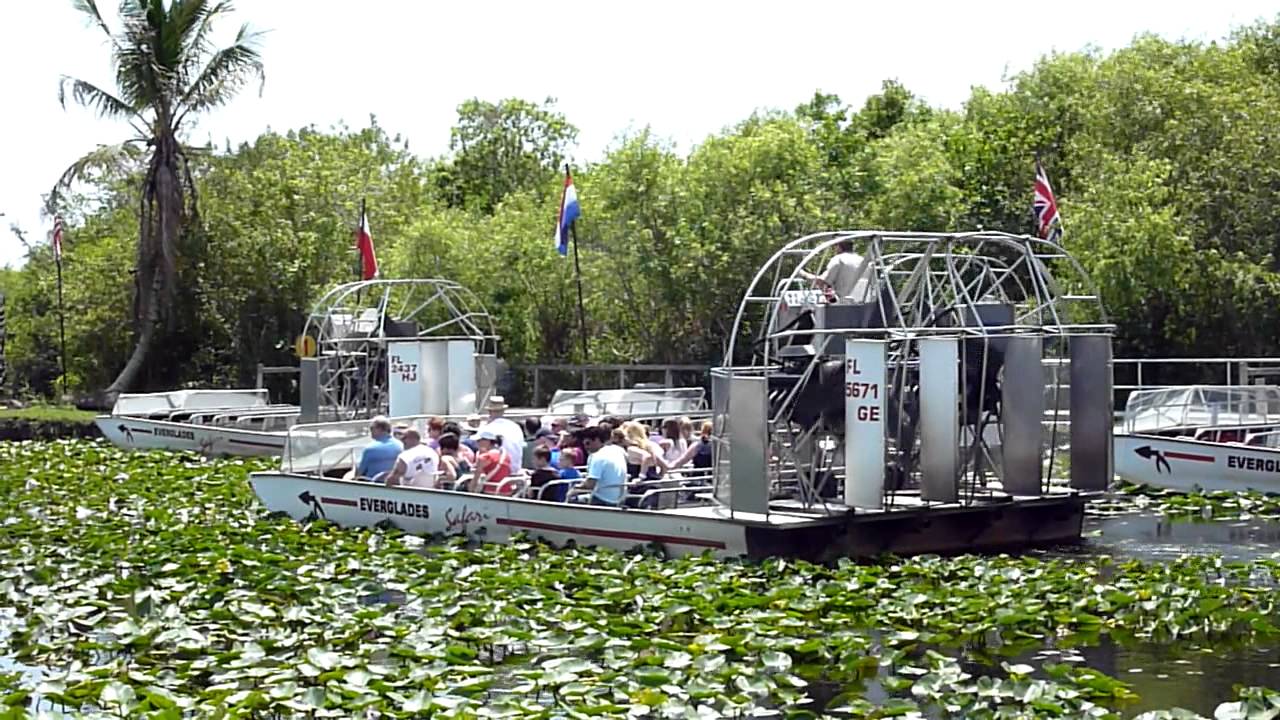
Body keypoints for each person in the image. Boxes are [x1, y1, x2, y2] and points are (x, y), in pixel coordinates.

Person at [799, 239, 870, 303]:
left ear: (839, 247)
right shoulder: (863, 261)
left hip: (842, 305)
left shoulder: (838, 259)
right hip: (864, 304)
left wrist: (803, 274)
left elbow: (822, 282)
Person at [574, 426, 627, 507]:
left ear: (597, 440)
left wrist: (574, 490)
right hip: (619, 499)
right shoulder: (618, 450)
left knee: (572, 497)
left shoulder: (597, 456)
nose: (586, 447)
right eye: (584, 444)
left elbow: (589, 485)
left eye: (588, 443)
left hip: (602, 500)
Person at [479, 396, 525, 474]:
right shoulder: (515, 427)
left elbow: (482, 454)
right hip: (516, 471)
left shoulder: (486, 429)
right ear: (503, 411)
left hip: (496, 473)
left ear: (489, 412)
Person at [356, 416, 403, 482]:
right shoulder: (401, 445)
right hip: (395, 484)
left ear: (379, 429)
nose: (370, 431)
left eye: (371, 428)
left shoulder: (370, 449)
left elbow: (359, 472)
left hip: (373, 485)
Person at [473, 429, 512, 493]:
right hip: (507, 492)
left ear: (487, 441)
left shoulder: (484, 457)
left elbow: (474, 482)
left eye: (479, 440)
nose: (477, 442)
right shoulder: (506, 456)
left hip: (490, 492)